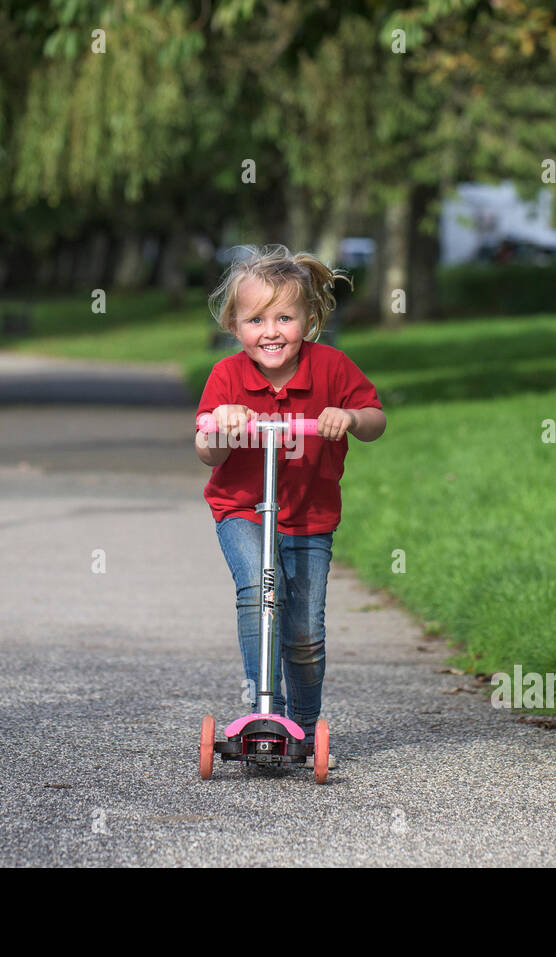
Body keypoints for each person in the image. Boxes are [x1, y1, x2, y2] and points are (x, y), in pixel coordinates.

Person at [195, 244, 386, 753]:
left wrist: (347, 418)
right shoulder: (227, 377)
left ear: (310, 318)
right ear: (235, 326)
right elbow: (207, 452)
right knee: (260, 591)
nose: (271, 331)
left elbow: (375, 420)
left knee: (304, 630)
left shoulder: (332, 368)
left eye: (285, 317)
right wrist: (223, 424)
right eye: (256, 319)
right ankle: (267, 712)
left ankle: (303, 723)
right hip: (241, 509)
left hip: (309, 518)